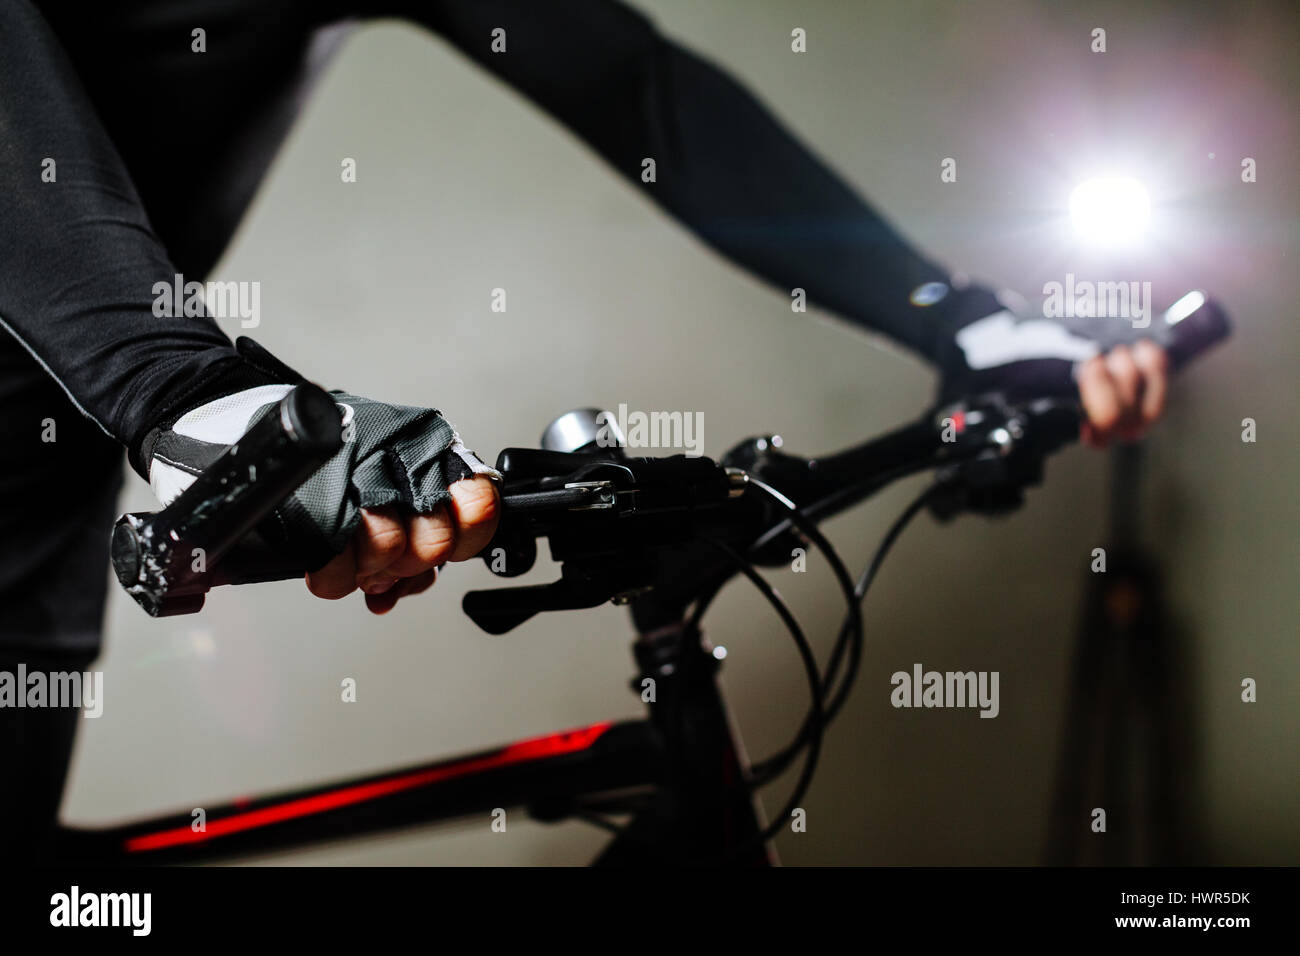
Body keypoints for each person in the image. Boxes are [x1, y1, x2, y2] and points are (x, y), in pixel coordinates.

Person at [0, 0, 1169, 862]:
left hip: (45, 491)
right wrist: (183, 389)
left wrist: (960, 318)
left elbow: (638, 92)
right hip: (137, 411)